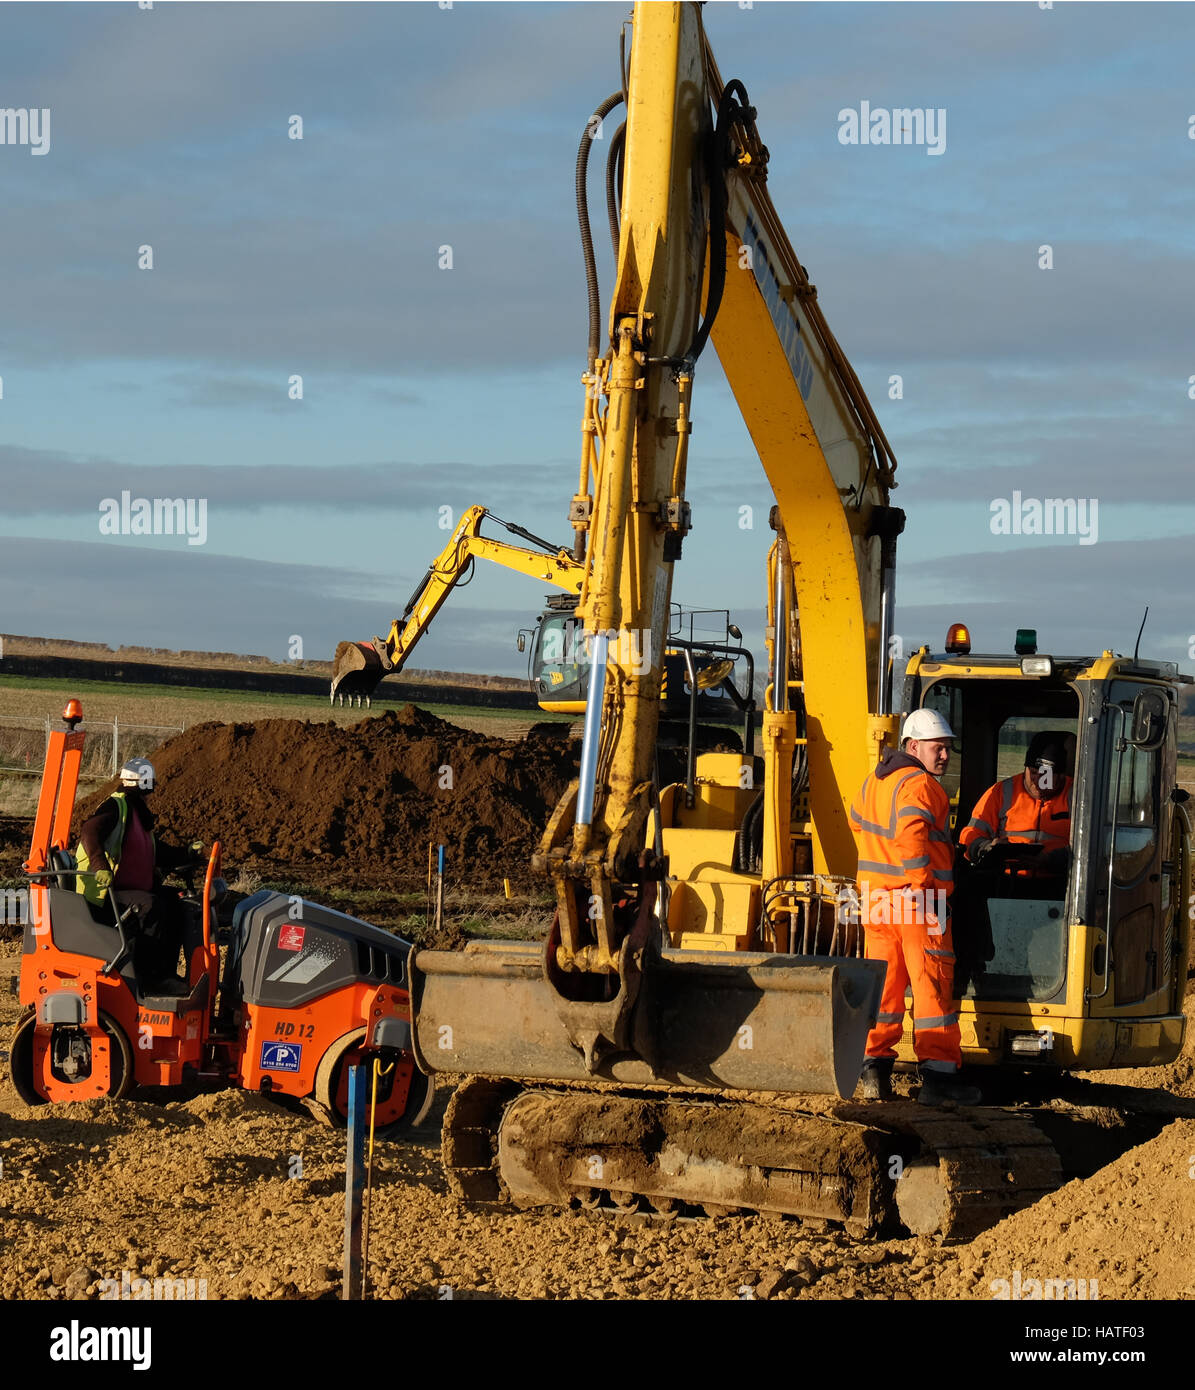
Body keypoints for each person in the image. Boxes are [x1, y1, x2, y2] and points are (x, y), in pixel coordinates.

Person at [849, 708, 981, 1107]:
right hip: (916, 902)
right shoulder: (920, 784)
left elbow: (857, 821)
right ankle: (939, 1080)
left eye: (947, 749)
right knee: (932, 988)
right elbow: (910, 834)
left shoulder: (876, 780)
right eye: (937, 748)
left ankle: (874, 1071)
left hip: (877, 902)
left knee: (884, 991)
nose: (944, 756)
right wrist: (924, 887)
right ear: (912, 746)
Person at [75, 757, 203, 984]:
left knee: (174, 902)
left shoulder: (137, 815)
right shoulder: (115, 807)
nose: (149, 795)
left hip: (126, 891)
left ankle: (166, 976)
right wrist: (100, 866)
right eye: (148, 789)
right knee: (150, 906)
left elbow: (156, 851)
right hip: (103, 895)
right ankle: (147, 979)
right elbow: (89, 832)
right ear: (141, 786)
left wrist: (187, 853)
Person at [959, 732, 1072, 873]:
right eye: (1033, 772)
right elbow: (970, 836)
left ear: (1062, 776)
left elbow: (1089, 848)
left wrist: (1052, 859)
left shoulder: (1077, 796)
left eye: (1046, 775)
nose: (1037, 780)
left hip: (1060, 884)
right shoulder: (1000, 792)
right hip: (1005, 883)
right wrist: (988, 848)